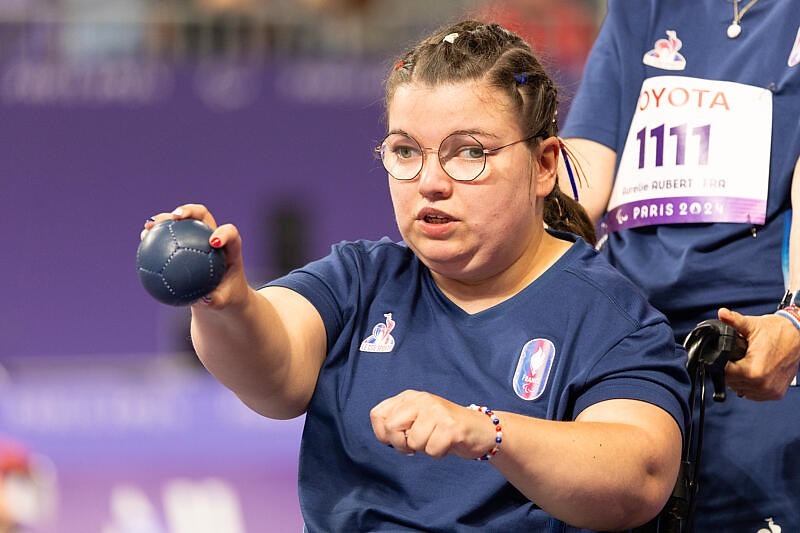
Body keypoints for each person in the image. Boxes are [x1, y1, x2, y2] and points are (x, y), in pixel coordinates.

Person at [142, 20, 691, 531]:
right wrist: (230, 303)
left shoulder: (610, 315)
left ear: (544, 165)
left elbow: (640, 475)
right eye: (406, 151)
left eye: (467, 152)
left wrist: (489, 432)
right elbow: (275, 374)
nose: (429, 182)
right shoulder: (359, 279)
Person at [560, 1, 800, 530]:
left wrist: (796, 318)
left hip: (757, 333)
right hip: (631, 331)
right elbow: (583, 173)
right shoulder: (643, 6)